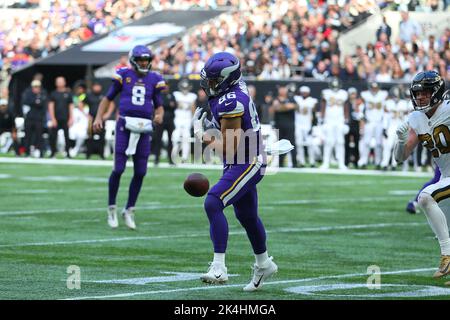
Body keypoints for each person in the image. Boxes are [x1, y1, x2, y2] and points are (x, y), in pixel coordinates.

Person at [193, 52, 277, 291]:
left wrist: (203, 135)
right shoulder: (231, 90)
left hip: (246, 162)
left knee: (213, 201)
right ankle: (264, 263)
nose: (209, 85)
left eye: (213, 81)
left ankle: (219, 267)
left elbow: (229, 148)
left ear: (227, 79)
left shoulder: (231, 101)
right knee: (247, 216)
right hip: (240, 159)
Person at [93, 45, 166, 230]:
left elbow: (159, 105)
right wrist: (98, 117)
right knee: (118, 169)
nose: (144, 63)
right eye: (141, 60)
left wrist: (159, 115)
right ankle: (111, 207)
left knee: (141, 172)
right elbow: (107, 98)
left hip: (144, 127)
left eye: (146, 60)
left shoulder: (155, 78)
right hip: (125, 125)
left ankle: (129, 209)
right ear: (134, 60)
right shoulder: (123, 75)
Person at [394, 70, 450, 281]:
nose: (420, 97)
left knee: (426, 197)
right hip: (446, 175)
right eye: (417, 93)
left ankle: (446, 255)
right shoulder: (416, 118)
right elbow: (401, 157)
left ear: (436, 92)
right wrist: (399, 140)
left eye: (425, 92)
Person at [320, 78, 349, 170]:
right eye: (334, 86)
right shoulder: (326, 92)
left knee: (340, 142)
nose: (335, 87)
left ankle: (341, 163)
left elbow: (346, 106)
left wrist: (346, 118)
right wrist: (321, 117)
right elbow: (323, 105)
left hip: (340, 120)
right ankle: (325, 163)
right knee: (328, 142)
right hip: (329, 120)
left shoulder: (343, 93)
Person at [358, 82, 388, 169]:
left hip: (379, 122)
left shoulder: (383, 95)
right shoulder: (365, 95)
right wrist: (362, 118)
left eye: (376, 88)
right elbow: (361, 106)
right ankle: (363, 161)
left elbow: (386, 108)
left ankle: (378, 162)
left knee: (379, 143)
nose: (374, 90)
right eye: (373, 88)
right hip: (369, 122)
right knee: (366, 142)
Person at [270, 85, 297, 167]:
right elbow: (272, 109)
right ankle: (280, 163)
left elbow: (293, 106)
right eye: (281, 89)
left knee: (292, 144)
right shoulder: (275, 99)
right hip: (279, 124)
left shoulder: (291, 98)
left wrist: (280, 107)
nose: (282, 91)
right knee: (280, 144)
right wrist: (284, 107)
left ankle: (294, 163)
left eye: (283, 89)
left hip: (289, 125)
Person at [86, 82, 115, 159]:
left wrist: (107, 114)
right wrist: (86, 114)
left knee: (102, 136)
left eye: (98, 86)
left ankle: (101, 153)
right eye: (95, 86)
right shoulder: (89, 95)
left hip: (101, 119)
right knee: (89, 135)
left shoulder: (104, 96)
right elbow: (81, 104)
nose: (97, 88)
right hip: (91, 119)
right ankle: (88, 154)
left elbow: (111, 104)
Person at [48, 76, 74, 158]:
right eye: (58, 81)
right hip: (56, 118)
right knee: (53, 136)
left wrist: (71, 118)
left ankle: (68, 153)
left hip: (66, 118)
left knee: (67, 136)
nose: (59, 83)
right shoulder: (53, 94)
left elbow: (71, 106)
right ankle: (53, 152)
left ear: (64, 82)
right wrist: (52, 118)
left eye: (61, 81)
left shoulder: (68, 94)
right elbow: (51, 106)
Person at [172, 79, 197, 163]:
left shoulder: (192, 96)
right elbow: (176, 105)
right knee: (176, 137)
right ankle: (173, 155)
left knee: (186, 138)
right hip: (178, 118)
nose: (185, 89)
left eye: (186, 87)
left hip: (187, 119)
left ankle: (184, 157)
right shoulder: (176, 94)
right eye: (183, 87)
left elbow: (193, 108)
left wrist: (194, 120)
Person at [21, 79, 47, 157]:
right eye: (35, 87)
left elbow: (42, 104)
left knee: (39, 136)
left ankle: (40, 152)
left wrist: (35, 102)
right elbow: (26, 102)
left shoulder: (43, 93)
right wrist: (35, 102)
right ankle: (27, 152)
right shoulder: (27, 93)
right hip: (29, 118)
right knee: (27, 136)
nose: (36, 88)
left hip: (39, 119)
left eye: (38, 87)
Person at [294, 86, 318, 167]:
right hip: (298, 124)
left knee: (310, 144)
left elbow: (314, 113)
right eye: (302, 92)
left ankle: (312, 161)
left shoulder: (312, 101)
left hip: (307, 125)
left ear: (308, 93)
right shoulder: (297, 99)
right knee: (299, 143)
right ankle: (301, 161)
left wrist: (313, 125)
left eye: (305, 92)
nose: (304, 93)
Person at [152, 83, 176, 166]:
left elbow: (175, 105)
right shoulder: (159, 95)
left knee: (170, 141)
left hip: (170, 121)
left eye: (167, 86)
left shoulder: (171, 95)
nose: (166, 88)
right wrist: (168, 105)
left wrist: (167, 105)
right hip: (160, 120)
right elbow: (159, 105)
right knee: (158, 140)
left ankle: (170, 160)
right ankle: (156, 159)